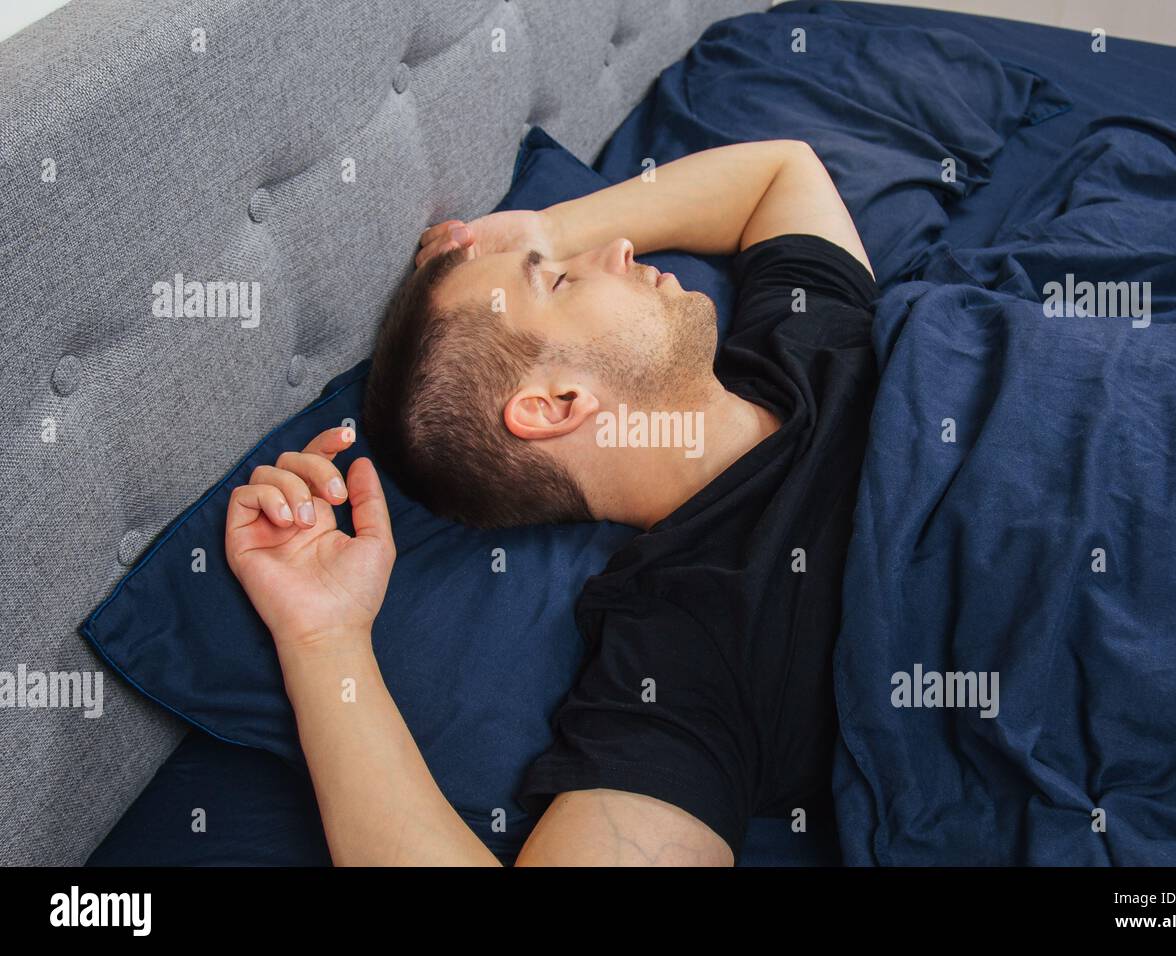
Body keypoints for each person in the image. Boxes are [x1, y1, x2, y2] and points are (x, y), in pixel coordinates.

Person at [224, 139, 880, 865]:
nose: (619, 246)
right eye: (564, 283)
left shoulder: (799, 336)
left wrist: (545, 234)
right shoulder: (694, 642)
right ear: (556, 405)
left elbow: (778, 173)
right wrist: (324, 642)